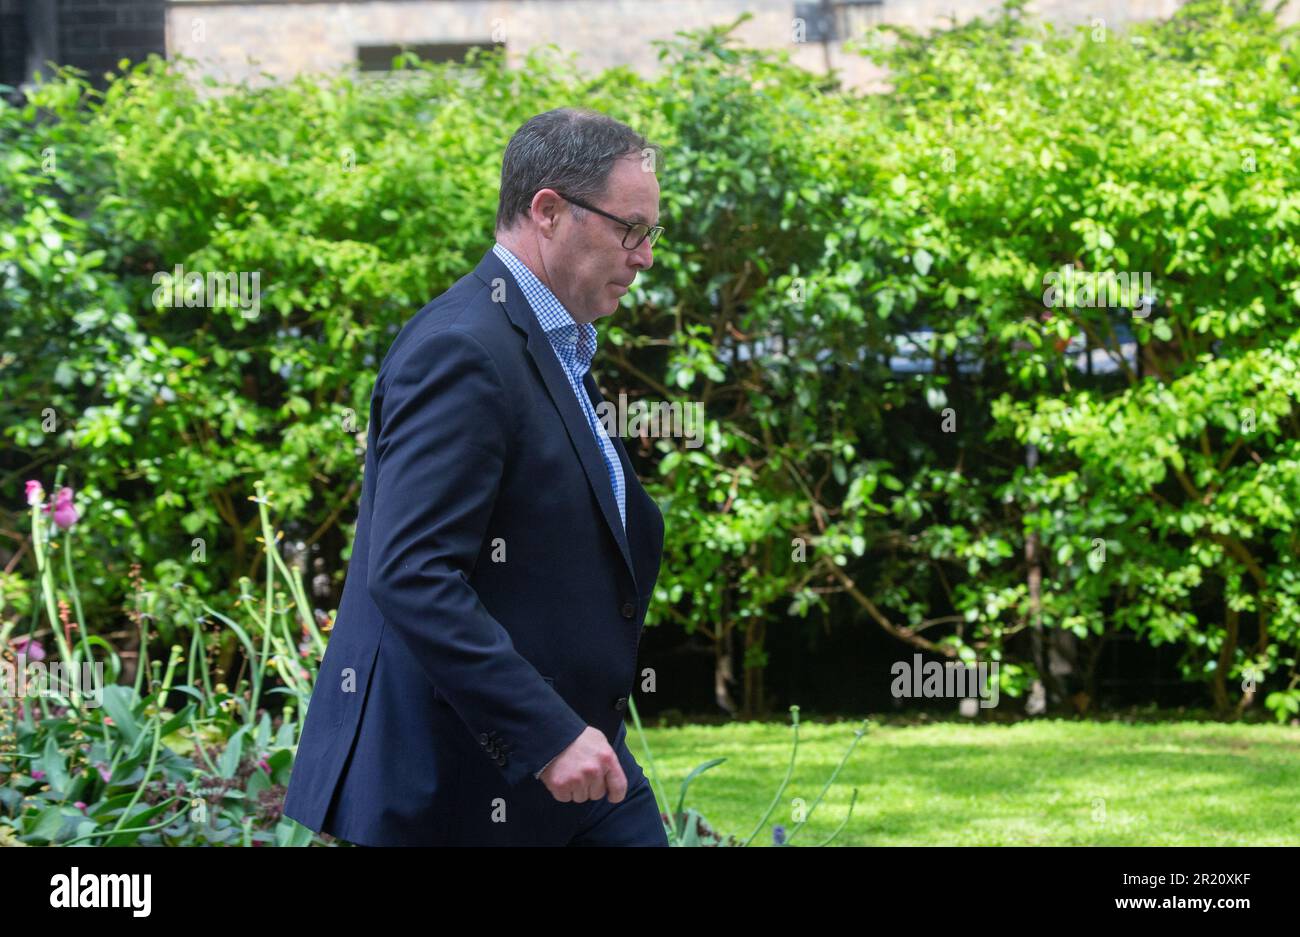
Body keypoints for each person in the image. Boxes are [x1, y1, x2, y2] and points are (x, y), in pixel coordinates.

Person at [282, 107, 669, 846]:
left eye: (650, 232)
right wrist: (546, 731)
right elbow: (412, 571)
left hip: (572, 769)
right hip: (458, 787)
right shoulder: (463, 349)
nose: (644, 255)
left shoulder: (554, 345)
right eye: (631, 228)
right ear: (548, 211)